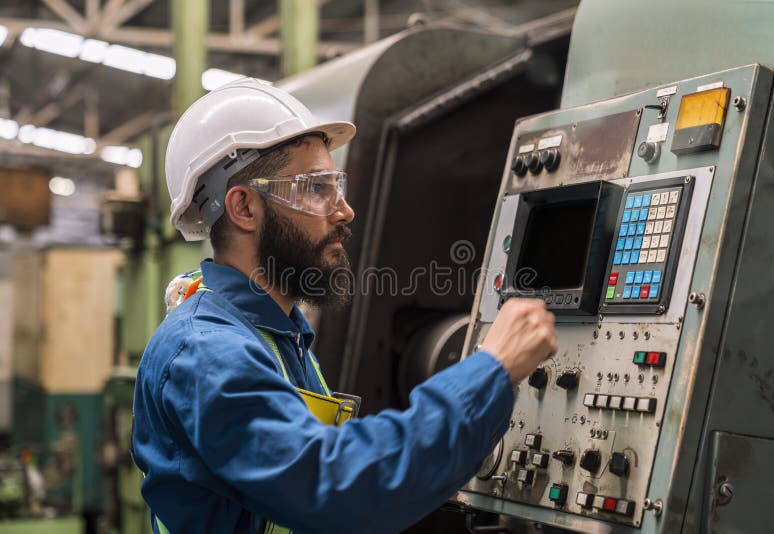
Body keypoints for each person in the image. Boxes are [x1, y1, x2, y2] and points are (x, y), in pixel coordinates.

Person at [132, 78, 557, 534]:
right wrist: (491, 371)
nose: (344, 210)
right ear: (244, 208)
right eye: (316, 188)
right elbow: (334, 486)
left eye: (337, 184)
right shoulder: (207, 353)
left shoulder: (279, 337)